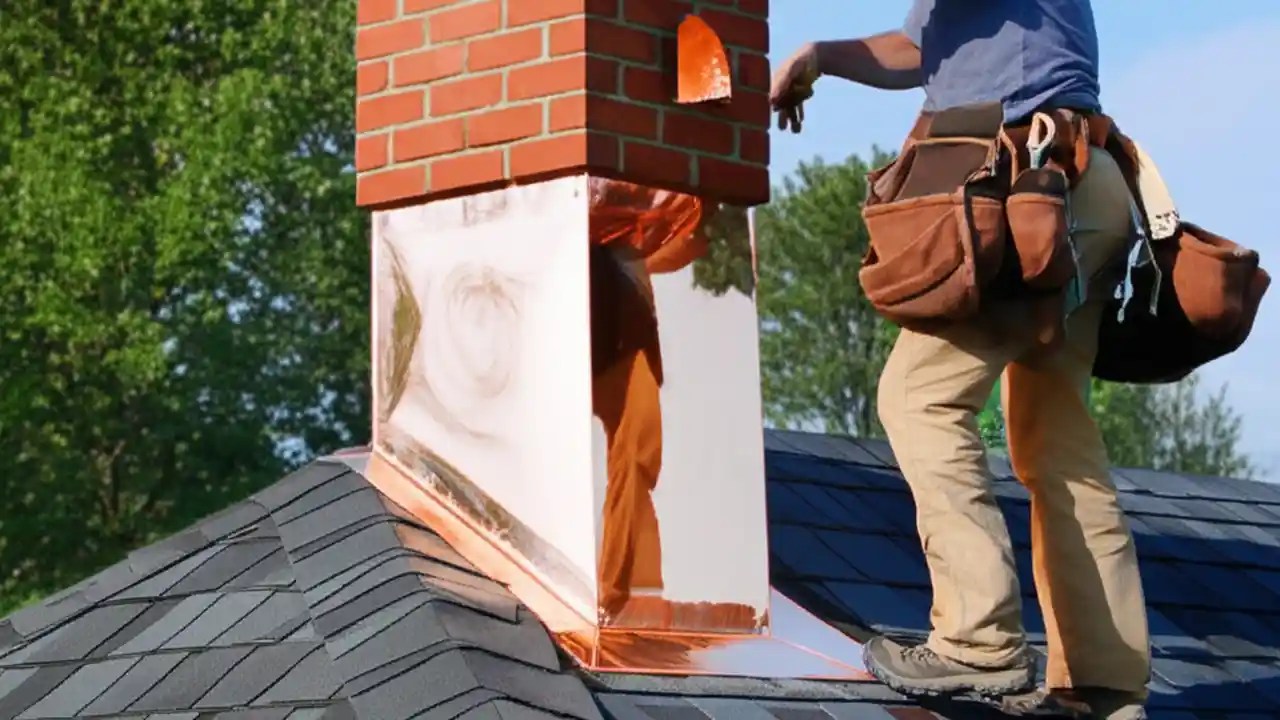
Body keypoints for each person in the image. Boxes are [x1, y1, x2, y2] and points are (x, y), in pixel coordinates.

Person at [770, 3, 1151, 719]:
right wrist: (820, 55)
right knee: (1058, 446)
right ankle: (1103, 688)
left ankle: (978, 640)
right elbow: (917, 49)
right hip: (1082, 187)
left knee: (918, 396)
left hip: (1032, 191)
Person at [589, 181, 712, 622]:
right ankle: (609, 591)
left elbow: (694, 240)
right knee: (631, 450)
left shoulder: (652, 216)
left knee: (639, 450)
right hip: (594, 298)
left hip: (627, 312)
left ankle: (616, 593)